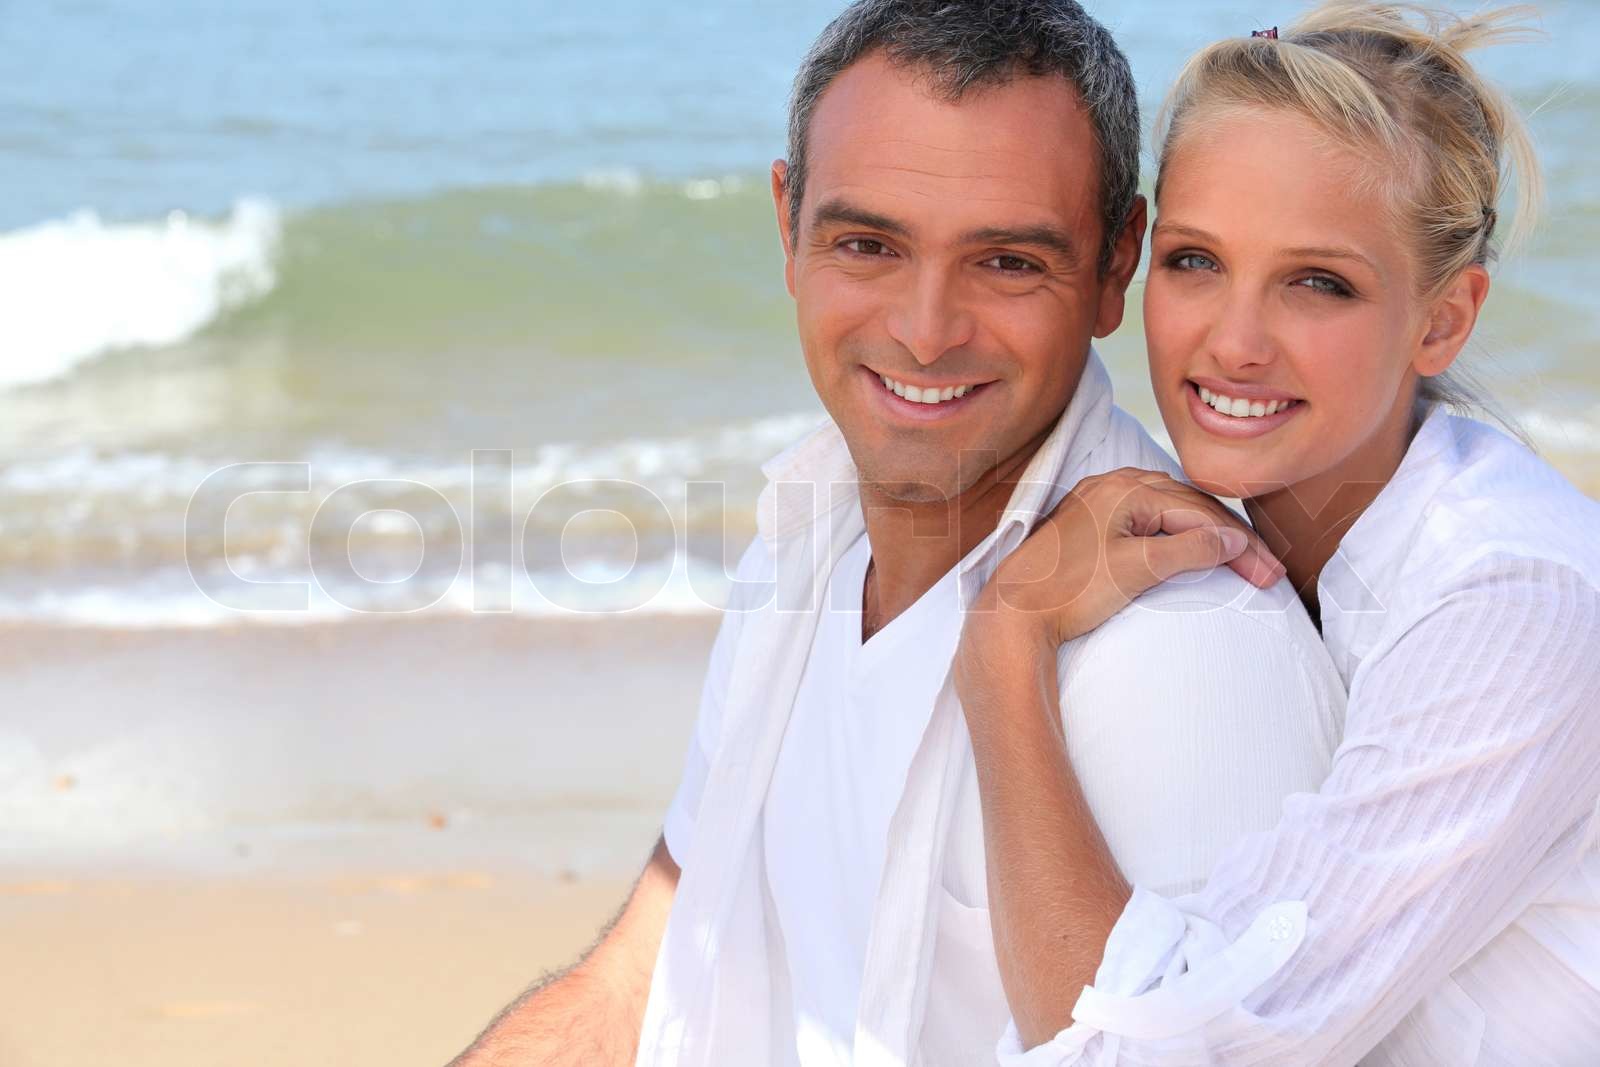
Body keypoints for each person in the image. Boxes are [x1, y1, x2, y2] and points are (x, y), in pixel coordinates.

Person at [450, 2, 1348, 1064]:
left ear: (1118, 264)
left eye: (1006, 262)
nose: (925, 331)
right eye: (868, 244)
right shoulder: (809, 528)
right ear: (787, 225)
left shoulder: (1185, 648)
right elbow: (651, 970)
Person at [953, 3, 1600, 1064]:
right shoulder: (1282, 544)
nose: (1235, 342)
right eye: (1195, 261)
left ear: (1442, 318)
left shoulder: (1511, 601)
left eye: (1317, 283)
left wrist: (1000, 648)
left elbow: (1161, 1055)